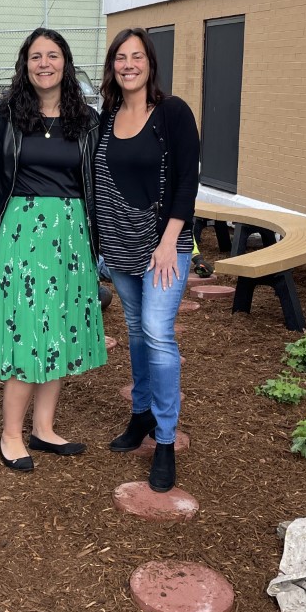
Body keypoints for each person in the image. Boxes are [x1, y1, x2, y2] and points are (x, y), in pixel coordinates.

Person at [0, 28, 106, 472]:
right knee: (27, 329)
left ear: (65, 63)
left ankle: (44, 428)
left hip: (71, 234)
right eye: (36, 56)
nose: (44, 64)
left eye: (52, 55)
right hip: (22, 232)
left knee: (59, 328)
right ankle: (10, 434)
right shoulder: (6, 115)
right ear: (25, 65)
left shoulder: (88, 120)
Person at [94, 27, 200, 492]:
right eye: (121, 57)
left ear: (150, 63)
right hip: (120, 244)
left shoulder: (173, 113)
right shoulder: (107, 115)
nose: (129, 64)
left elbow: (187, 181)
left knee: (158, 333)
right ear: (112, 66)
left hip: (163, 245)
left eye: (137, 56)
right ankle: (140, 414)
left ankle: (165, 438)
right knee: (136, 330)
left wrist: (169, 239)